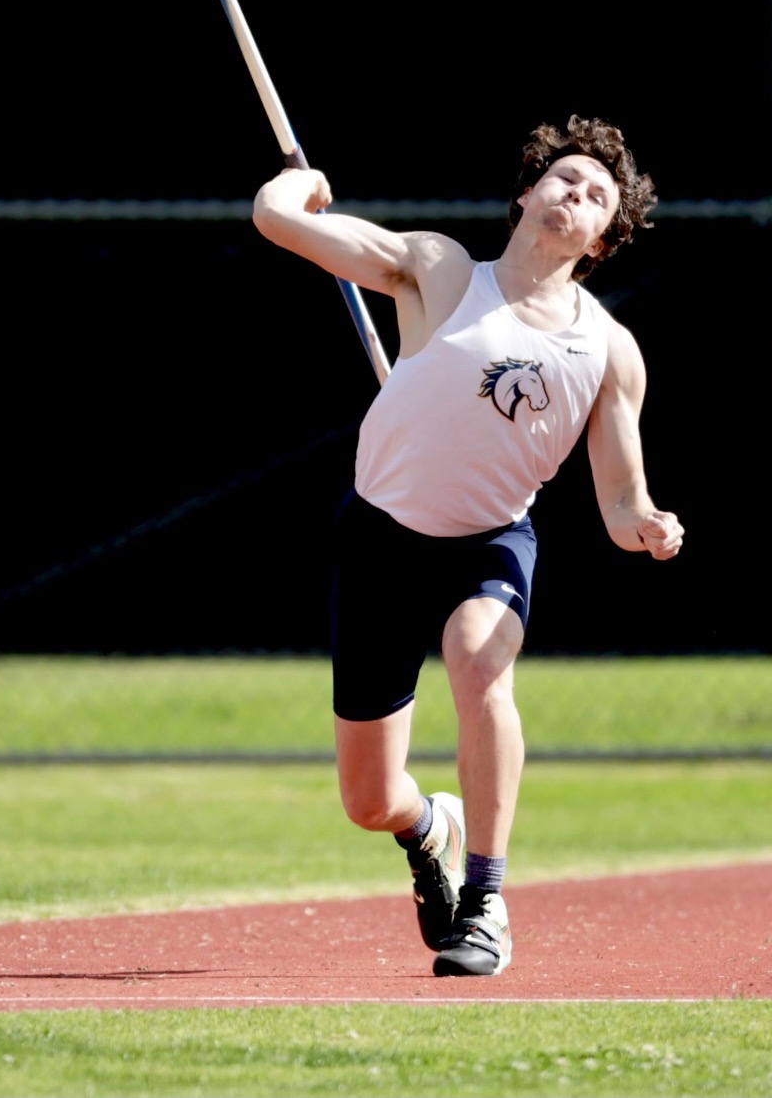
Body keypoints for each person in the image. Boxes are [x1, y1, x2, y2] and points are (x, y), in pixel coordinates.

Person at [251, 114, 685, 977]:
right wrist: (300, 190)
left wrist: (646, 525)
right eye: (564, 179)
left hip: (489, 543)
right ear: (527, 192)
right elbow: (276, 219)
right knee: (370, 800)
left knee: (478, 656)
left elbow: (619, 497)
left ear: (606, 235)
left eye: (598, 195)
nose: (577, 194)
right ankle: (430, 827)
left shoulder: (608, 351)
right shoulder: (442, 271)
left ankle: (486, 899)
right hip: (377, 539)